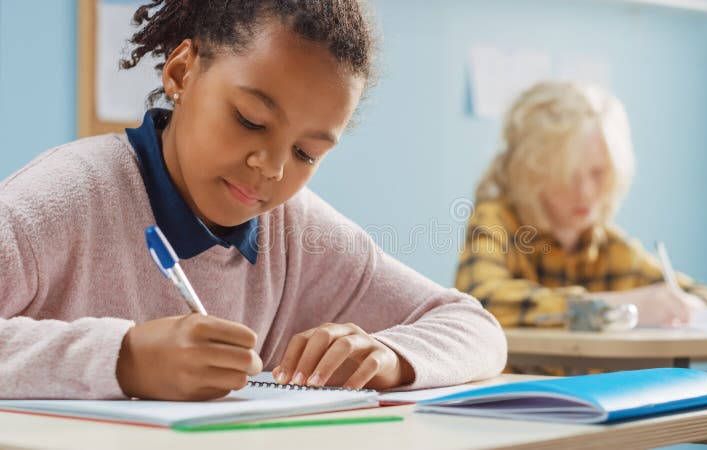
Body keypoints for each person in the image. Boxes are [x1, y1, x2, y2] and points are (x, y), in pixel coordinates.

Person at [0, 0, 505, 401]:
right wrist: (124, 360)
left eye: (307, 152)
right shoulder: (61, 199)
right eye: (250, 120)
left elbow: (474, 327)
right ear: (181, 73)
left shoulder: (297, 232)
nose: (273, 167)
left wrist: (388, 357)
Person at [456, 81, 707, 330]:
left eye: (598, 173)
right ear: (532, 173)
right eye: (567, 176)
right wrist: (612, 308)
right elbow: (478, 301)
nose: (586, 192)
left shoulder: (608, 247)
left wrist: (688, 306)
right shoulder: (497, 220)